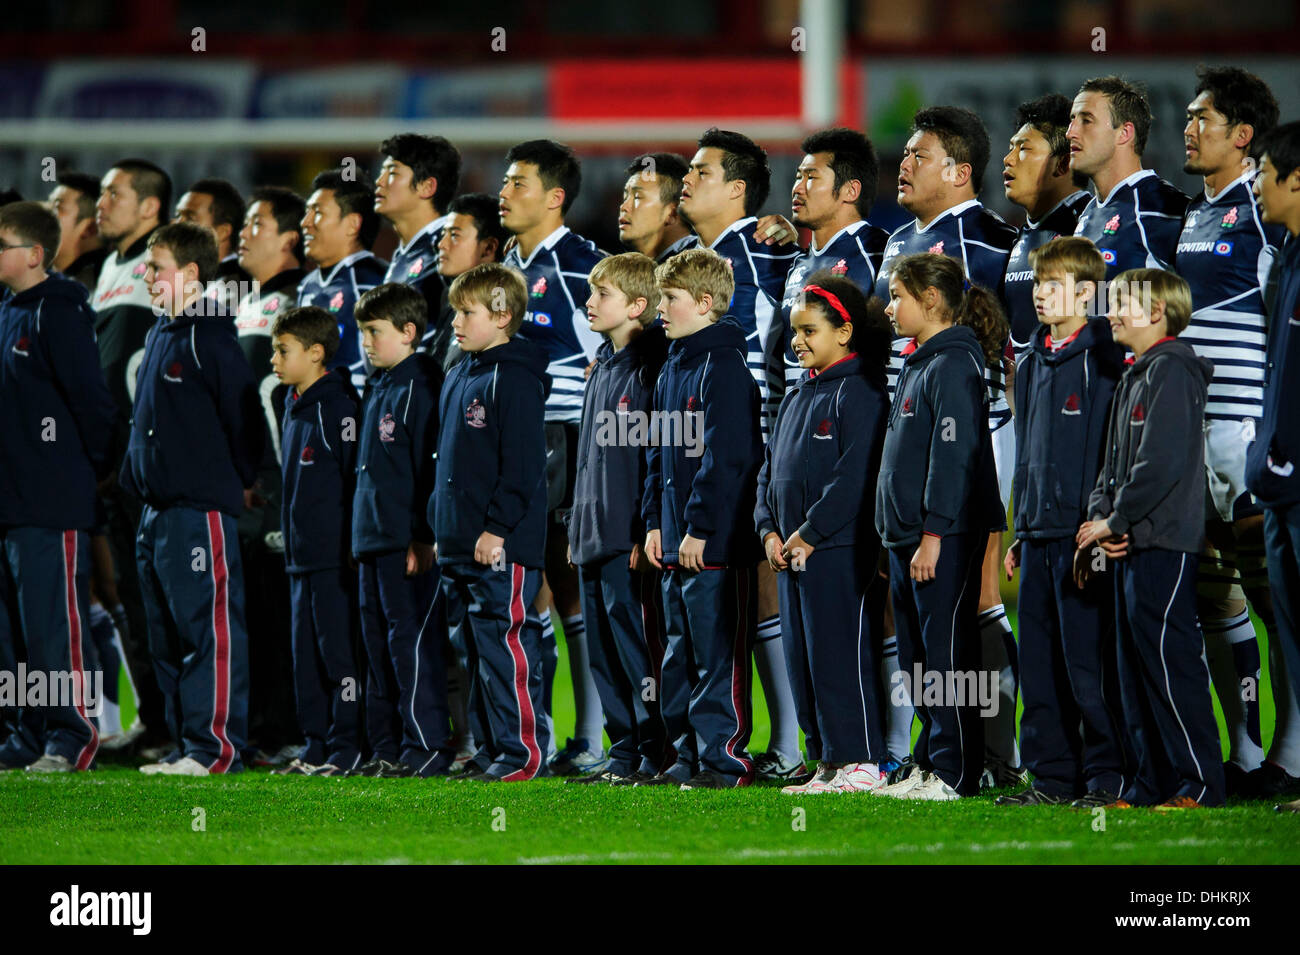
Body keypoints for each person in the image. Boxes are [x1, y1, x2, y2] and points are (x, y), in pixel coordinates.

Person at [873, 107, 1021, 785]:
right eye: (903, 154)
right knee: (923, 621)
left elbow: (1021, 348)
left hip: (979, 435)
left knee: (973, 603)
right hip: (908, 435)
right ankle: (939, 754)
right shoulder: (896, 237)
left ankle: (990, 755)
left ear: (960, 171)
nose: (903, 164)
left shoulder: (1000, 240)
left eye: (919, 155)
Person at [1175, 66, 1300, 799]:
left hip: (1248, 432)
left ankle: (1289, 750)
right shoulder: (1196, 211)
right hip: (1197, 433)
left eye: (1202, 118)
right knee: (1210, 594)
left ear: (1243, 137)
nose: (1187, 128)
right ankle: (1248, 750)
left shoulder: (1265, 211)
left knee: (1272, 595)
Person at [679, 127, 801, 781]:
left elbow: (757, 361)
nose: (685, 181)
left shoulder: (755, 258)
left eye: (700, 172)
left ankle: (788, 742)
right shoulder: (707, 257)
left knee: (758, 589)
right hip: (714, 450)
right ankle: (769, 741)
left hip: (748, 447)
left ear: (737, 189)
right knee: (738, 596)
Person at [1078, 268, 1223, 809]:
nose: (1110, 313)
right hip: (1130, 543)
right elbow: (1109, 469)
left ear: (1158, 312)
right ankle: (1149, 784)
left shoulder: (1173, 372)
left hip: (1162, 544)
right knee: (1134, 670)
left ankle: (1200, 785)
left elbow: (1158, 464)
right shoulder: (1136, 373)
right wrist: (1102, 519)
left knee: (1170, 665)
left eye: (1122, 304)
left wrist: (1114, 522)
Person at [126, 222, 264, 776]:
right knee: (166, 634)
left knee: (206, 629)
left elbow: (245, 419)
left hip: (196, 511)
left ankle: (215, 747)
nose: (145, 274)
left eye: (155, 266)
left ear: (188, 274)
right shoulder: (161, 330)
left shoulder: (209, 334)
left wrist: (231, 481)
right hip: (154, 512)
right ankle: (186, 745)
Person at [997, 237, 1130, 808]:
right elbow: (1026, 450)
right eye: (1038, 283)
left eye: (1052, 285)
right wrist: (1019, 530)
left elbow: (1115, 448)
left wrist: (1102, 519)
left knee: (1089, 663)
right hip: (1038, 534)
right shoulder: (1031, 364)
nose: (1040, 295)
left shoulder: (1105, 359)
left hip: (1085, 538)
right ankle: (1052, 779)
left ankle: (1109, 777)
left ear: (1087, 292)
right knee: (1041, 666)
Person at [873, 252, 1006, 800]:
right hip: (910, 538)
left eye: (899, 296)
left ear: (931, 300)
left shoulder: (955, 363)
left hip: (943, 536)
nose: (889, 307)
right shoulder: (922, 360)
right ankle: (929, 762)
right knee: (919, 656)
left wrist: (933, 535)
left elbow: (954, 459)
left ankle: (955, 770)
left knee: (946, 652)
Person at [756, 271, 893, 794]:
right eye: (794, 331)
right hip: (789, 553)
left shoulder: (862, 392)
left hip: (836, 550)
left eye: (809, 330)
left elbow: (856, 476)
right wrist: (768, 531)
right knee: (804, 660)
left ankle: (861, 757)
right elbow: (769, 472)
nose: (797, 341)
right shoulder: (797, 395)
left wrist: (810, 532)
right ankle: (827, 761)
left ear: (845, 332)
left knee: (841, 652)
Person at [499, 139, 607, 775]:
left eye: (518, 184)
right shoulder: (505, 265)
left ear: (555, 197)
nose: (505, 193)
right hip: (510, 444)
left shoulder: (580, 266)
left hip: (562, 440)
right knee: (524, 584)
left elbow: (606, 365)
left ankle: (590, 737)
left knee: (568, 585)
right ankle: (533, 732)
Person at [640, 248, 763, 790]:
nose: (660, 309)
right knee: (677, 655)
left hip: (710, 543)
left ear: (706, 303)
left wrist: (700, 528)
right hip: (673, 538)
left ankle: (724, 759)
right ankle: (685, 757)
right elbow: (657, 455)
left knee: (716, 654)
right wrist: (653, 522)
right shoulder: (674, 365)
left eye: (670, 299)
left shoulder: (724, 367)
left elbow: (729, 457)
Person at [0, 201, 114, 772]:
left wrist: (73, 468)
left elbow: (91, 405)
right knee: (13, 634)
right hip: (8, 503)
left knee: (54, 628)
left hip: (47, 501)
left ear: (33, 255)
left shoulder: (59, 313)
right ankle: (25, 733)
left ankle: (71, 736)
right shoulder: (6, 312)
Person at [432, 263, 553, 782]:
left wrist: (497, 528)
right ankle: (489, 750)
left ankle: (521, 753)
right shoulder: (460, 370)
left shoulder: (515, 377)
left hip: (500, 544)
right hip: (459, 540)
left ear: (503, 316)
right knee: (475, 653)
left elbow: (524, 466)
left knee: (505, 647)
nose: (456, 322)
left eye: (467, 312)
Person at [566, 253, 670, 785]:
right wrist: (576, 527)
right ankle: (624, 751)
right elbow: (590, 460)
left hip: (626, 538)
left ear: (637, 305)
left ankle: (659, 749)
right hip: (591, 535)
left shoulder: (652, 370)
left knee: (639, 651)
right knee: (603, 656)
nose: (590, 302)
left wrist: (643, 527)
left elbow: (654, 459)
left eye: (602, 294)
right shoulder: (601, 369)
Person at [347, 283, 451, 778]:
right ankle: (387, 747)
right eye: (363, 331)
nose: (366, 342)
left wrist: (422, 535)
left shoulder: (420, 383)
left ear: (410, 332)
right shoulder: (380, 383)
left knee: (410, 643)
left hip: (403, 542)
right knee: (377, 646)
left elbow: (429, 466)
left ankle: (425, 746)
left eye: (375, 331)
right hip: (370, 537)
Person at [91, 158, 174, 759]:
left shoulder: (160, 264)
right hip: (106, 464)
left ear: (149, 207)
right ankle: (154, 718)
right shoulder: (108, 269)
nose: (102, 203)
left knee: (165, 597)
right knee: (131, 597)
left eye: (113, 194)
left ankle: (189, 726)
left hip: (146, 462)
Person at [271, 306, 362, 776]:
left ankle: (347, 744)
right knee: (304, 657)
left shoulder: (339, 408)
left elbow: (353, 480)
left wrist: (350, 545)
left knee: (338, 655)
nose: (274, 360)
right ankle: (315, 745)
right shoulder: (291, 405)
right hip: (300, 558)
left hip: (332, 559)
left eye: (282, 351)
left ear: (316, 353)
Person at [1246, 120, 1300, 813]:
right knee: (1292, 630)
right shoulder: (1285, 260)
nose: (1256, 185)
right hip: (1280, 483)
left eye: (1264, 174)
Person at [1001, 95, 1092, 364]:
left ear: (1064, 163)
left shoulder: (1090, 225)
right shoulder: (1019, 237)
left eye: (1024, 150)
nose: (1008, 159)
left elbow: (1112, 306)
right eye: (1010, 148)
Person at [1068, 75, 1189, 278]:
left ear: (1124, 133)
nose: (1070, 132)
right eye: (1072, 120)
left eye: (1086, 121)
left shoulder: (1161, 208)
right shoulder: (1088, 212)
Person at [297, 169, 387, 390]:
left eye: (317, 212)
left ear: (352, 224)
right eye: (306, 212)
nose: (305, 222)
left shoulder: (373, 283)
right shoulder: (307, 286)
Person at [374, 133, 461, 349]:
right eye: (381, 172)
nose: (379, 181)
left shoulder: (447, 249)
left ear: (427, 187)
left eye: (392, 173)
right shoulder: (405, 254)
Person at [430, 192, 507, 372]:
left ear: (489, 248)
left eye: (455, 235)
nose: (442, 244)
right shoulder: (448, 298)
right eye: (443, 234)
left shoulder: (499, 305)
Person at [174, 177, 249, 311]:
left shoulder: (238, 288)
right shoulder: (192, 282)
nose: (177, 224)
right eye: (178, 215)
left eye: (190, 218)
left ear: (222, 232)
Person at [618, 152, 695, 262]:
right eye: (625, 197)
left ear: (672, 213)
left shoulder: (702, 266)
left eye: (637, 197)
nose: (624, 207)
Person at [47, 171, 107, 290]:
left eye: (57, 208)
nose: (44, 214)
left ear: (90, 229)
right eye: (48, 205)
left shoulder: (100, 286)